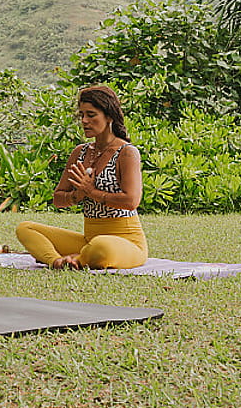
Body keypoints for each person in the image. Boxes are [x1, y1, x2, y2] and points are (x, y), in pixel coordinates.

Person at [16, 85, 147, 270]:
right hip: (89, 239)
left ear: (109, 116)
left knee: (101, 247)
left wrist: (92, 192)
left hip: (125, 243)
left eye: (91, 115)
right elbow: (58, 199)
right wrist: (77, 196)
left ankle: (78, 259)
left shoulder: (127, 152)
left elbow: (131, 201)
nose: (84, 121)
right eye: (82, 115)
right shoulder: (81, 152)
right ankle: (57, 261)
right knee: (26, 228)